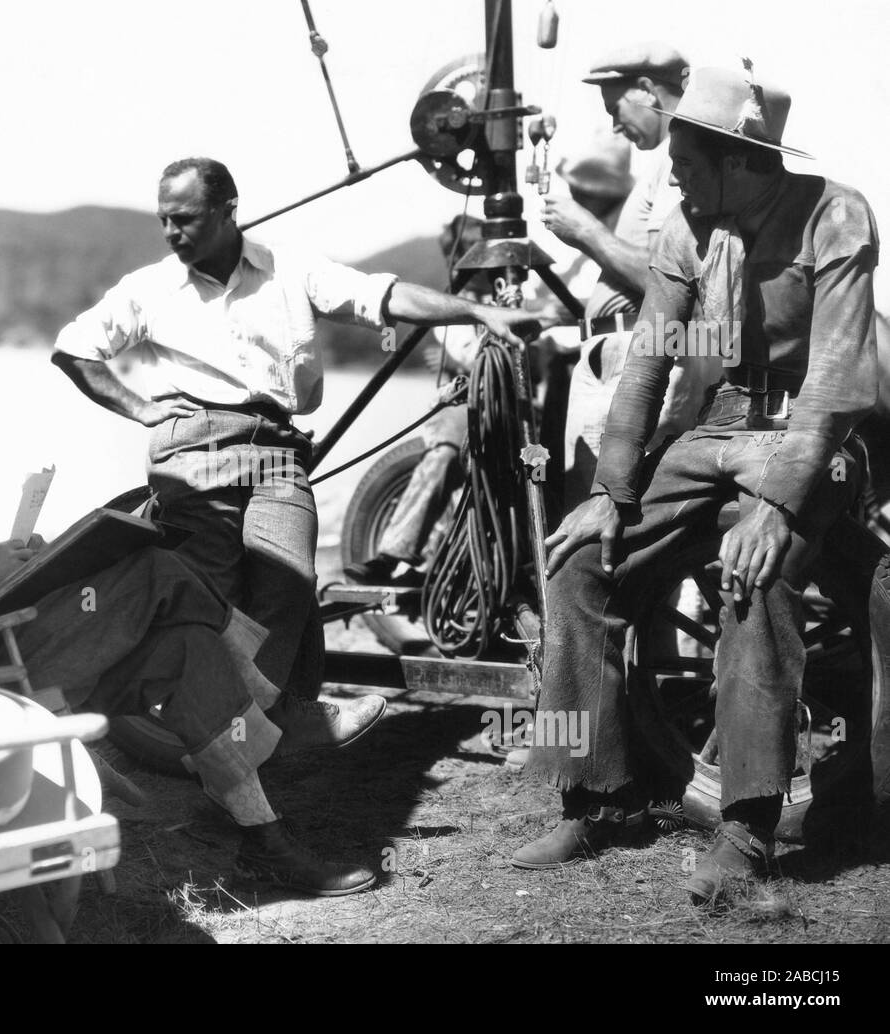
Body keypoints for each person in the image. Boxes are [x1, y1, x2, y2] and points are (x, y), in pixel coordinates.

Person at [511, 66, 879, 906]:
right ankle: (590, 795)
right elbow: (647, 362)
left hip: (806, 435)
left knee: (755, 571)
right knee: (579, 564)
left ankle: (746, 827)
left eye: (687, 163)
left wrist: (781, 504)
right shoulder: (685, 228)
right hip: (713, 428)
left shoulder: (837, 214)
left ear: (742, 160)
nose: (672, 179)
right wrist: (609, 490)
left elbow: (836, 381)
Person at [0, 400, 391, 896]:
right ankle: (274, 706)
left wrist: (14, 553)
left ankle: (265, 845)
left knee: (184, 648)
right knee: (153, 567)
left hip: (2, 634)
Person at [51, 156, 535, 700]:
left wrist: (478, 313)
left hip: (278, 446)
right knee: (214, 594)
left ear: (228, 211)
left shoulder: (291, 269)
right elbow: (73, 350)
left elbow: (383, 296)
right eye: (163, 219)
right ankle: (231, 728)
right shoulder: (150, 287)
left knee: (288, 584)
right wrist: (140, 409)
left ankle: (255, 721)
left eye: (184, 218)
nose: (170, 232)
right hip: (195, 446)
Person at [346, 138, 634, 587]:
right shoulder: (452, 312)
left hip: (522, 419)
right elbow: (457, 364)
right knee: (445, 453)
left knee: (539, 469)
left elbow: (544, 349)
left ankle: (531, 563)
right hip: (469, 413)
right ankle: (393, 554)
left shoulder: (517, 298)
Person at [543, 43, 723, 508]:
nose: (614, 125)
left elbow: (671, 281)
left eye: (615, 108)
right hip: (651, 349)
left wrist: (583, 230)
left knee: (595, 522)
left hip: (638, 358)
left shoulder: (675, 160)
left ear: (646, 89)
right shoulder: (672, 158)